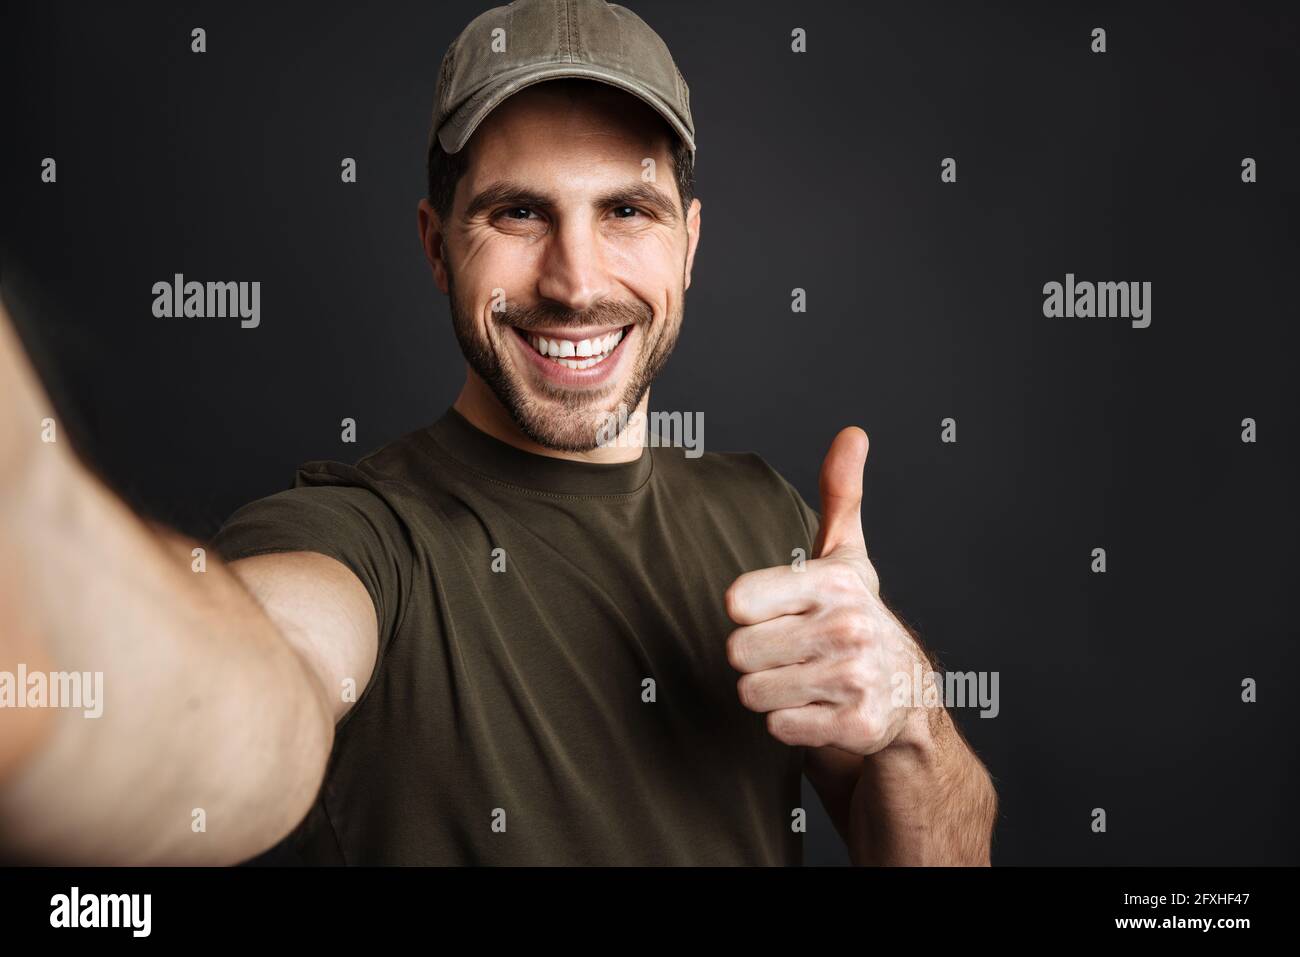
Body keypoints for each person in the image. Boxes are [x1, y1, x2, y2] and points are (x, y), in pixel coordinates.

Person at [0, 0, 996, 865]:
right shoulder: (359, 541)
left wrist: (911, 721)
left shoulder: (763, 513)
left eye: (626, 211)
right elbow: (258, 678)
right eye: (518, 213)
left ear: (689, 245)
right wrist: (38, 568)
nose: (575, 281)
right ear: (438, 248)